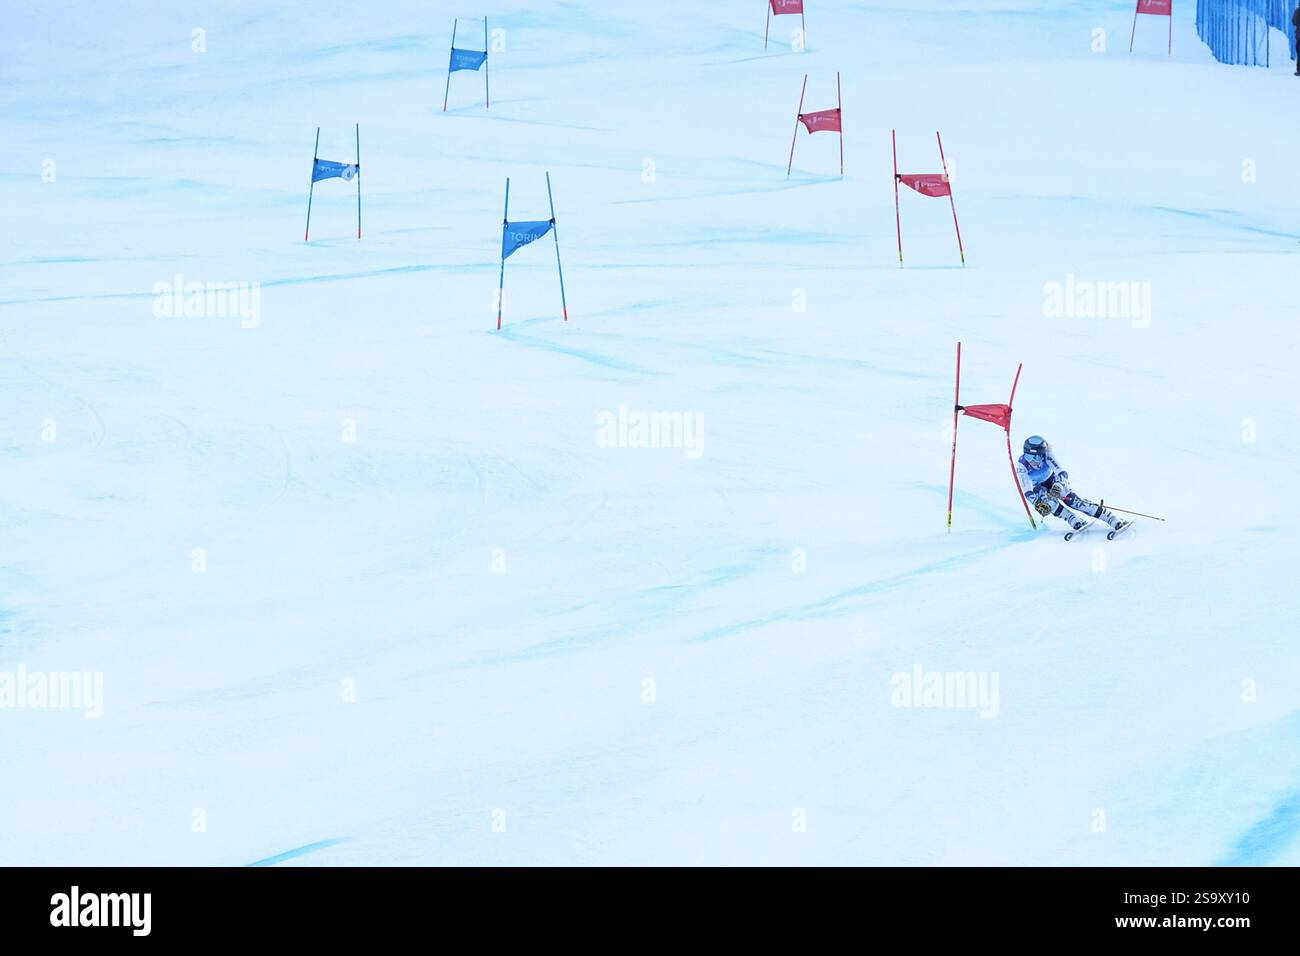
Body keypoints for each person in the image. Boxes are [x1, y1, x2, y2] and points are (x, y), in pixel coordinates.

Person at [1016, 435, 1126, 533]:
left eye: (1038, 456)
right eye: (1030, 457)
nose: (1035, 460)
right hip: (1038, 487)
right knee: (1049, 504)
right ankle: (1072, 519)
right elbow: (1027, 489)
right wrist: (1036, 503)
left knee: (1074, 502)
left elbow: (1061, 473)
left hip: (1054, 480)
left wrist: (1058, 485)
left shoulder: (1047, 456)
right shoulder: (1022, 465)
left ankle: (1109, 517)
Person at [1294, 4, 1300, 75]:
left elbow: (1294, 21)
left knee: (1299, 53)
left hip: (1299, 36)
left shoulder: (1298, 11)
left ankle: (1299, 70)